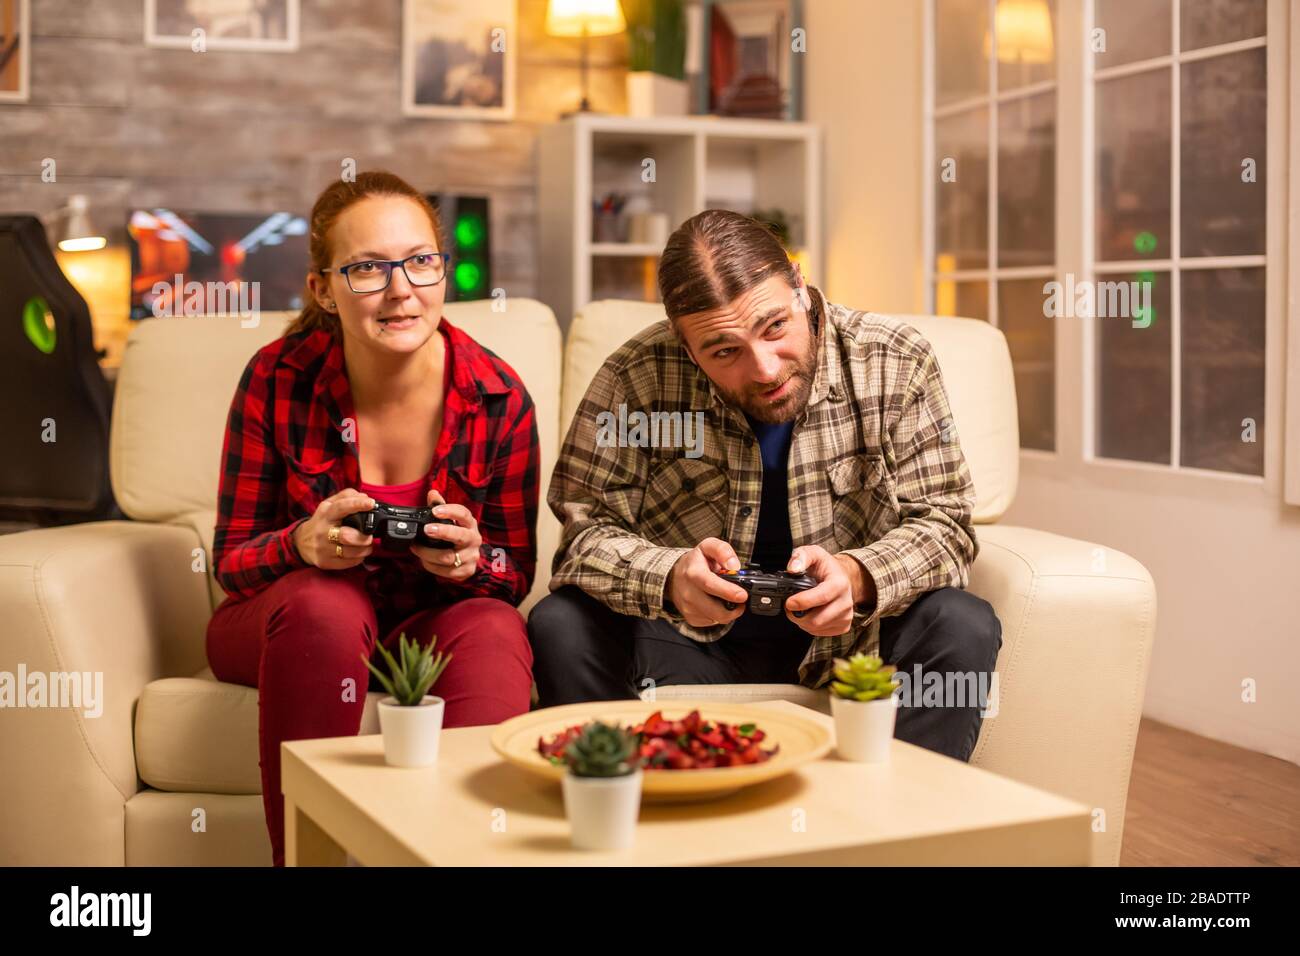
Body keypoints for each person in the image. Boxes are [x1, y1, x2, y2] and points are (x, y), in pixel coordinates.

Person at [529, 209, 1000, 762]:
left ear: (799, 284)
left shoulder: (894, 360)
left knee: (962, 623)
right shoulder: (637, 375)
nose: (765, 369)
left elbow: (946, 525)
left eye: (774, 327)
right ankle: (631, 818)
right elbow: (584, 536)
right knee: (561, 623)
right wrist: (669, 577)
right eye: (724, 352)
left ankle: (896, 832)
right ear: (685, 346)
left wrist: (856, 576)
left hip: (856, 646)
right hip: (685, 644)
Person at [206, 171, 539, 866]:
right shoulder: (275, 377)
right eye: (366, 269)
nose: (401, 289)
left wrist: (474, 562)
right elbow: (232, 561)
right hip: (290, 622)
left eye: (421, 261)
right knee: (325, 603)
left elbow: (515, 575)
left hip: (429, 618)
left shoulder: (500, 396)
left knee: (494, 624)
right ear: (323, 288)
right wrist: (300, 544)